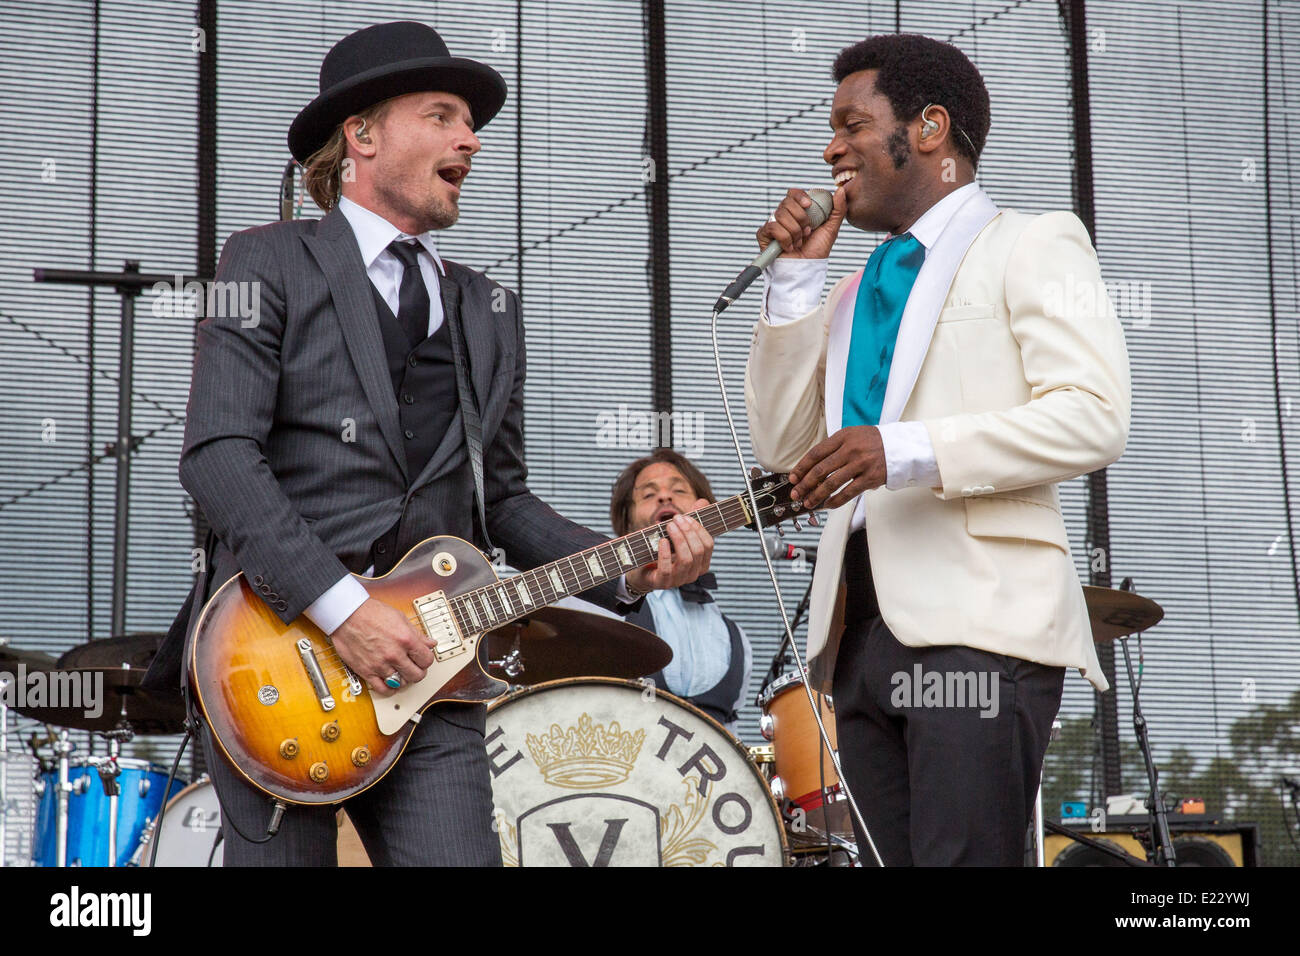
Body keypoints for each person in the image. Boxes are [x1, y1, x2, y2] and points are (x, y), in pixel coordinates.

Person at [145, 21, 713, 866]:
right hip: (275, 659)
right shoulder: (265, 261)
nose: (470, 140)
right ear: (362, 136)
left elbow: (505, 500)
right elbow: (219, 456)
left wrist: (627, 563)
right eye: (443, 115)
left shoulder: (490, 309)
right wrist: (344, 610)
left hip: (436, 674)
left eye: (470, 124)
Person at [744, 33, 1130, 865]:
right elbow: (785, 447)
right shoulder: (853, 288)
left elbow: (1094, 415)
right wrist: (796, 285)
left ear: (928, 128)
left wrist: (909, 449)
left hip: (977, 626)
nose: (830, 146)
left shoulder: (1030, 244)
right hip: (857, 632)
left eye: (852, 122)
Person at [609, 450, 752, 735]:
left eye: (678, 490)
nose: (665, 497)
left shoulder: (740, 642)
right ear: (626, 524)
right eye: (649, 495)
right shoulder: (601, 614)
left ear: (708, 514)